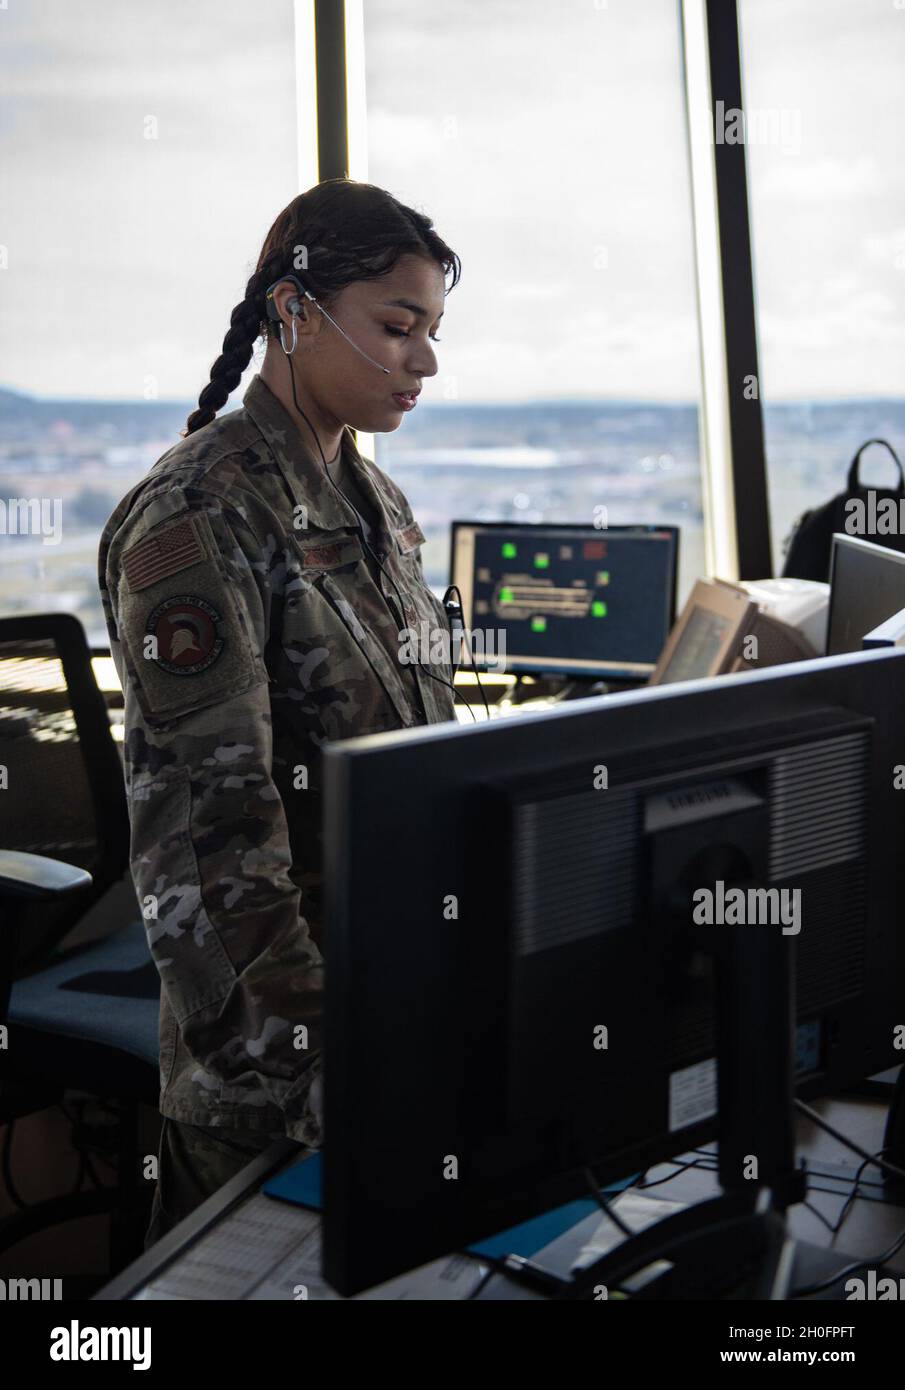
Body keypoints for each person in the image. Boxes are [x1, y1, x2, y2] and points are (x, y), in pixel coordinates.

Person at [97, 178, 462, 1247]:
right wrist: (320, 1070)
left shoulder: (375, 502)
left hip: (392, 999)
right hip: (277, 1069)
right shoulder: (197, 518)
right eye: (398, 328)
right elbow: (210, 853)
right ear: (296, 314)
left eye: (432, 331)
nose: (425, 362)